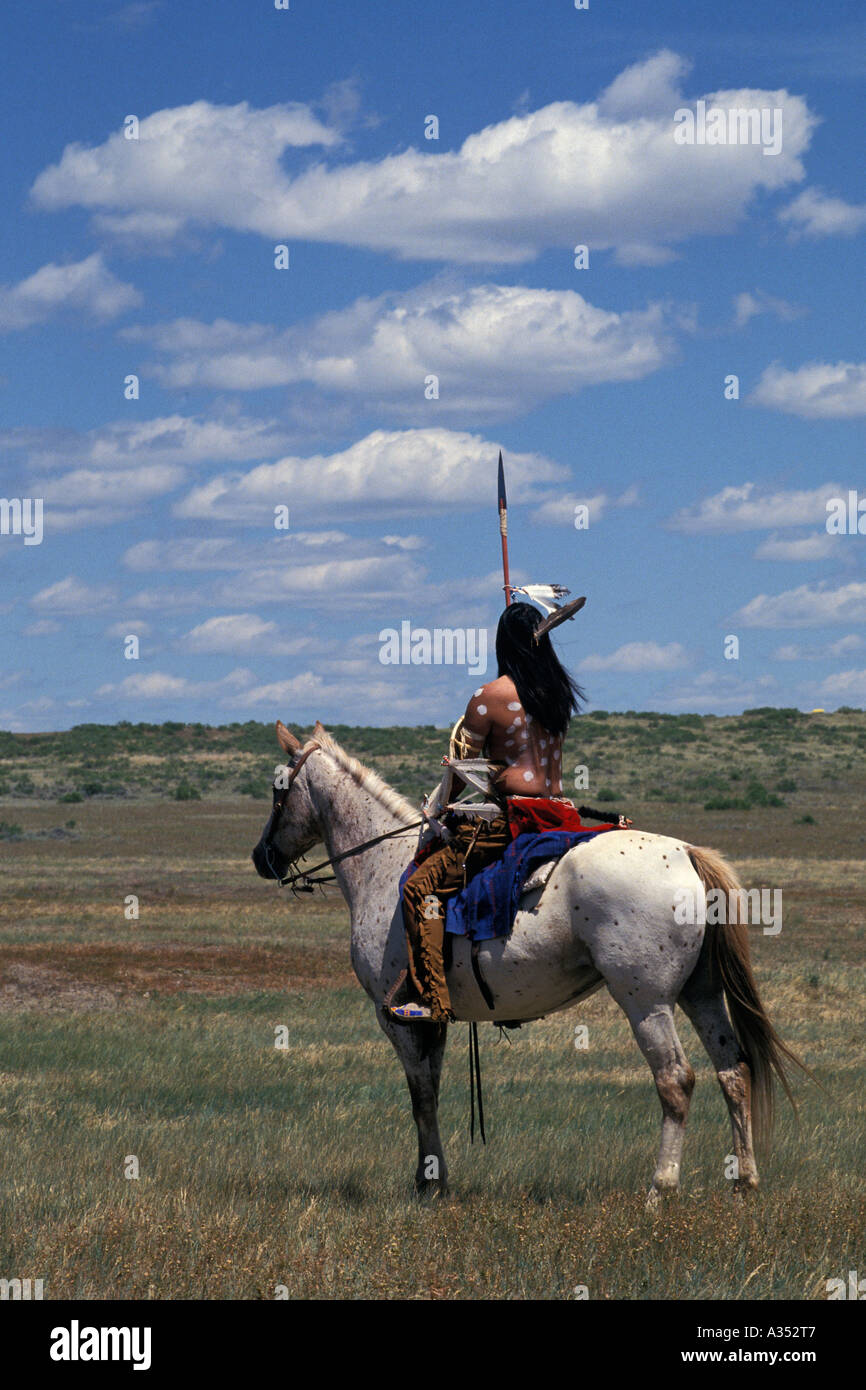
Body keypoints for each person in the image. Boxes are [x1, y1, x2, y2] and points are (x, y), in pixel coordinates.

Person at [389, 601, 587, 1024]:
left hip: (510, 819)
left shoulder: (490, 697)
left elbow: (463, 770)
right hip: (558, 813)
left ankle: (432, 1001)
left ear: (503, 642)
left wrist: (444, 808)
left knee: (420, 889)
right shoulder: (557, 691)